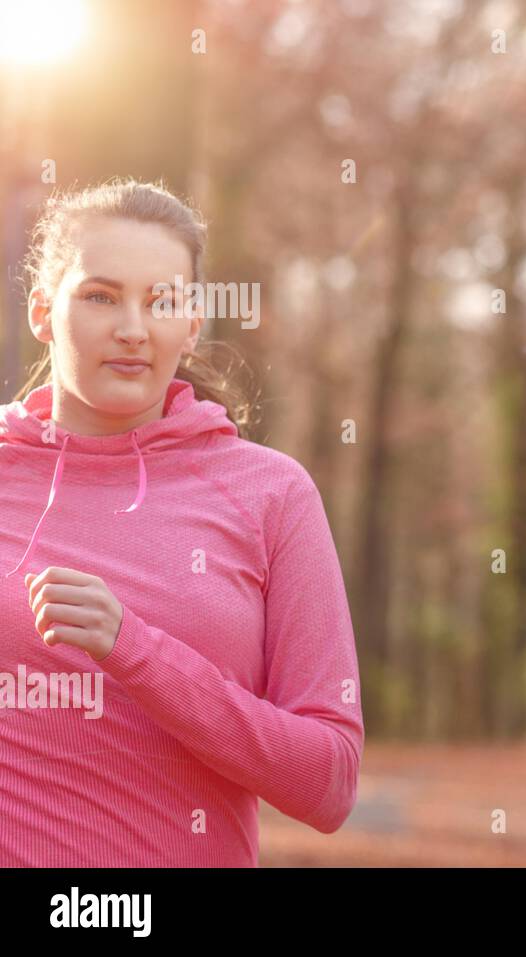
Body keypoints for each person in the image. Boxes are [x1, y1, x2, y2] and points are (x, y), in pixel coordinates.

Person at [0, 179, 363, 865]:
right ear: (43, 312)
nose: (133, 328)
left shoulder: (270, 493)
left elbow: (331, 781)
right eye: (101, 296)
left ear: (192, 325)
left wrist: (134, 650)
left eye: (161, 301)